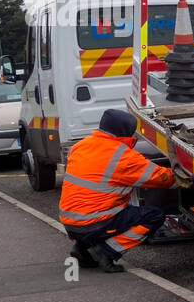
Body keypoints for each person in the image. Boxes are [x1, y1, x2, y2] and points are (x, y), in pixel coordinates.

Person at [59, 108, 175, 273]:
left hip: (70, 223)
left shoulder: (80, 146)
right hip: (94, 223)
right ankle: (107, 251)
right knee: (153, 216)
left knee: (111, 206)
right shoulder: (123, 157)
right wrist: (185, 177)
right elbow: (162, 178)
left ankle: (81, 248)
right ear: (126, 133)